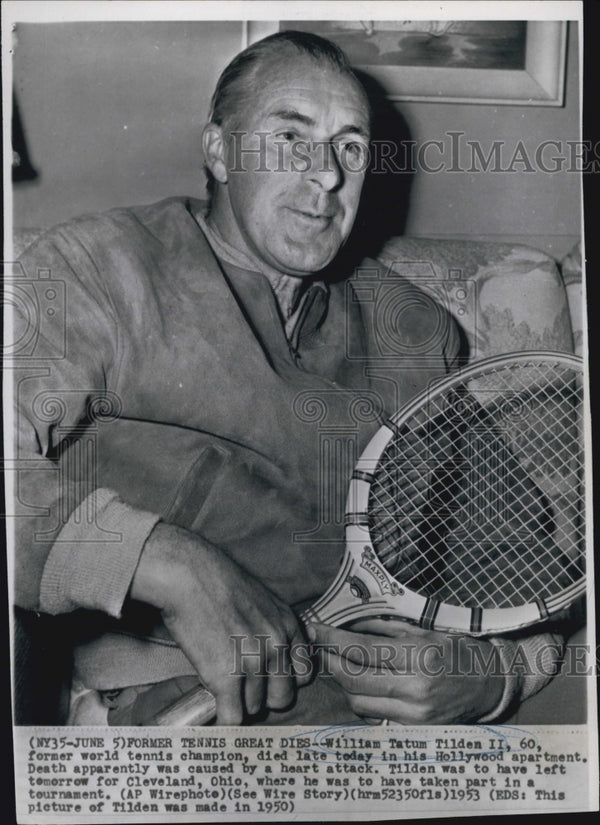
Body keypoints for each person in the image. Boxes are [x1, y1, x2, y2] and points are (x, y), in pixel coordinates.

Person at [12, 31, 563, 727]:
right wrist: (166, 561)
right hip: (168, 714)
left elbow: (519, 558)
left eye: (350, 148)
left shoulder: (417, 331)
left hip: (380, 723)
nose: (327, 175)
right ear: (219, 152)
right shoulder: (98, 268)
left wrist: (496, 675)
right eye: (291, 137)